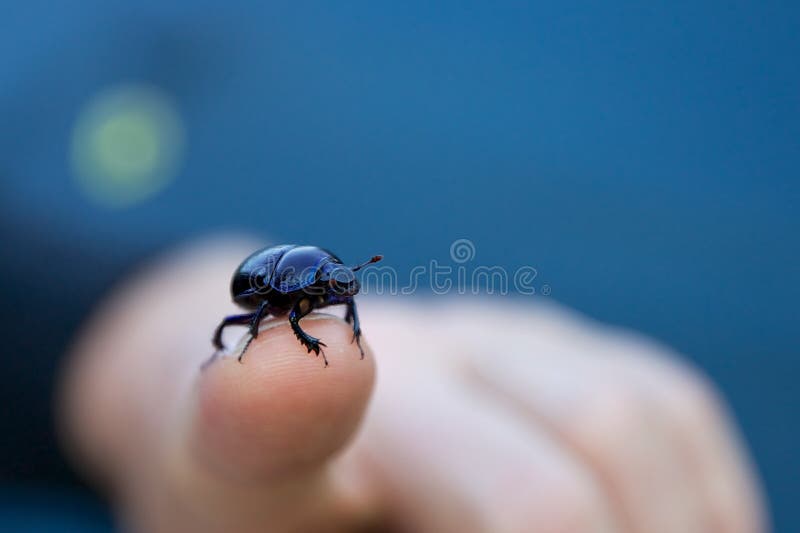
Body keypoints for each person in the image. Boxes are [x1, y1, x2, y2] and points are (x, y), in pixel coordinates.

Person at [59, 238, 767, 532]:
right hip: (236, 301)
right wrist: (148, 341)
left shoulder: (326, 284)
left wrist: (142, 328)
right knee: (263, 336)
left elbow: (335, 303)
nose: (339, 293)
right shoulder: (278, 292)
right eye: (329, 289)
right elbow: (256, 307)